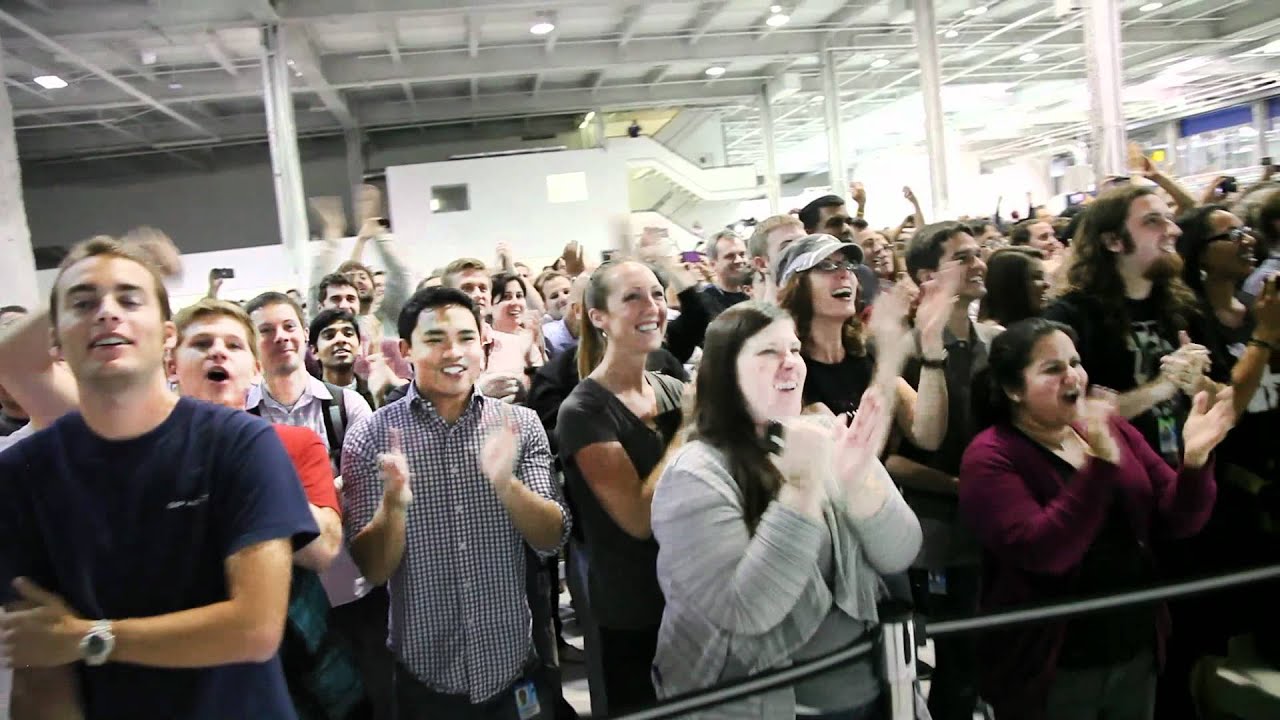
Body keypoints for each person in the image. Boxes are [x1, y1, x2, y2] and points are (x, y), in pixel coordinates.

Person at [0, 233, 318, 719]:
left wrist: (91, 637)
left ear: (168, 335)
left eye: (129, 300)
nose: (107, 313)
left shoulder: (240, 444)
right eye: (83, 304)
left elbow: (253, 628)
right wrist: (113, 261)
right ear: (56, 339)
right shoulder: (23, 473)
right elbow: (41, 661)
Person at [650, 301, 921, 719]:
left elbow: (901, 553)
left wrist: (859, 482)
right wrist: (802, 489)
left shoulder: (823, 433)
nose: (791, 364)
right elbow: (747, 610)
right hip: (759, 703)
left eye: (794, 350)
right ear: (726, 372)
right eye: (768, 352)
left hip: (863, 691)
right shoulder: (694, 473)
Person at [959, 317, 1233, 719]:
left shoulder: (1110, 428)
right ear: (1014, 390)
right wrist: (1099, 467)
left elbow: (1177, 521)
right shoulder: (991, 457)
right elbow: (1045, 552)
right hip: (1051, 666)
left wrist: (1195, 462)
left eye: (1075, 362)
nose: (1073, 376)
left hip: (1132, 648)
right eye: (1053, 369)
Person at [341, 286, 570, 718]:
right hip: (425, 674)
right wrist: (393, 505)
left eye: (466, 337)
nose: (454, 352)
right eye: (435, 339)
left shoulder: (518, 424)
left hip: (512, 662)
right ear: (406, 348)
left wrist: (505, 483)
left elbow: (552, 537)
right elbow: (373, 567)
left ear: (482, 345)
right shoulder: (372, 437)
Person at [555, 260, 687, 715]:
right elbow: (637, 517)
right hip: (634, 609)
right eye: (632, 297)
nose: (652, 307)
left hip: (692, 597)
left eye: (656, 293)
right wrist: (690, 430)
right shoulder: (583, 410)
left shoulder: (672, 388)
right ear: (599, 317)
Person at [889, 220, 998, 720]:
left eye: (980, 253)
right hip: (939, 533)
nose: (979, 264)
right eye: (964, 257)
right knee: (952, 664)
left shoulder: (992, 343)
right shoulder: (906, 353)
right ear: (927, 276)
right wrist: (959, 486)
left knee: (982, 659)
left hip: (994, 526)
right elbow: (890, 459)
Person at [1042, 186, 1214, 468]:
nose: (1173, 230)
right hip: (1117, 487)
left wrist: (1198, 382)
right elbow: (1062, 419)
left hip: (1187, 480)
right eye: (1152, 221)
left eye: (1169, 218)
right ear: (1113, 241)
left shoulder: (1184, 306)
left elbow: (1224, 398)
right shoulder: (1069, 318)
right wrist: (1161, 387)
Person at [774, 234, 951, 454]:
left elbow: (928, 436)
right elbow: (849, 460)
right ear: (795, 287)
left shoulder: (865, 354)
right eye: (826, 265)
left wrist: (931, 343)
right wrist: (890, 358)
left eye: (846, 265)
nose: (844, 273)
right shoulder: (791, 370)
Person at [309, 308, 378, 410]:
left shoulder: (374, 391)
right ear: (314, 351)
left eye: (348, 334)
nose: (340, 340)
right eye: (329, 336)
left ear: (359, 346)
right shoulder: (306, 397)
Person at [978, 247, 1050, 328]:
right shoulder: (993, 333)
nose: (1047, 284)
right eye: (1036, 277)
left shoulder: (1041, 325)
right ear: (1012, 284)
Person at [747, 215, 807, 303]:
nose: (803, 252)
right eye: (788, 247)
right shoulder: (755, 316)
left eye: (806, 244)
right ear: (762, 264)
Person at [700, 230, 752, 317]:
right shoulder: (705, 303)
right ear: (713, 264)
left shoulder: (760, 289)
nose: (739, 260)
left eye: (742, 254)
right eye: (730, 256)